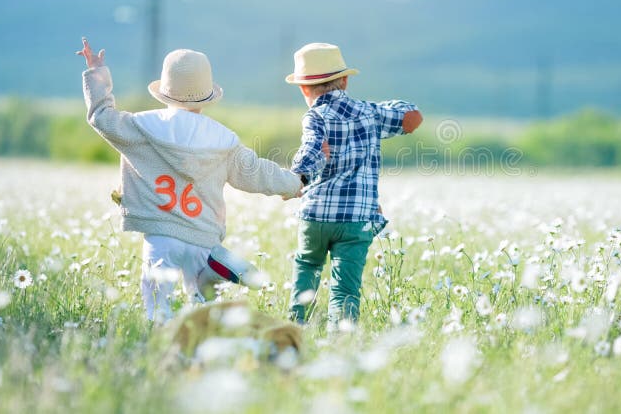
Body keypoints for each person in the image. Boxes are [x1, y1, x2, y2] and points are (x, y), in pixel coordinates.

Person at [76, 38, 301, 322]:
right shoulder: (224, 140)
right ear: (207, 95)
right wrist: (295, 184)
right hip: (202, 239)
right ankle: (205, 322)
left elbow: (101, 117)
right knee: (202, 306)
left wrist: (97, 73)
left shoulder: (141, 127)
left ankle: (163, 344)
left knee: (157, 304)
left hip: (160, 235)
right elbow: (256, 173)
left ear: (165, 92)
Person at [286, 42, 423, 327]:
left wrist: (297, 178)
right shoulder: (370, 113)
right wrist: (390, 108)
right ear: (345, 81)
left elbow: (313, 149)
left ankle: (297, 328)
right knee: (346, 288)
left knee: (307, 268)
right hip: (356, 220)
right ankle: (342, 336)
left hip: (316, 216)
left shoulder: (315, 116)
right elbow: (412, 117)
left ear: (303, 89)